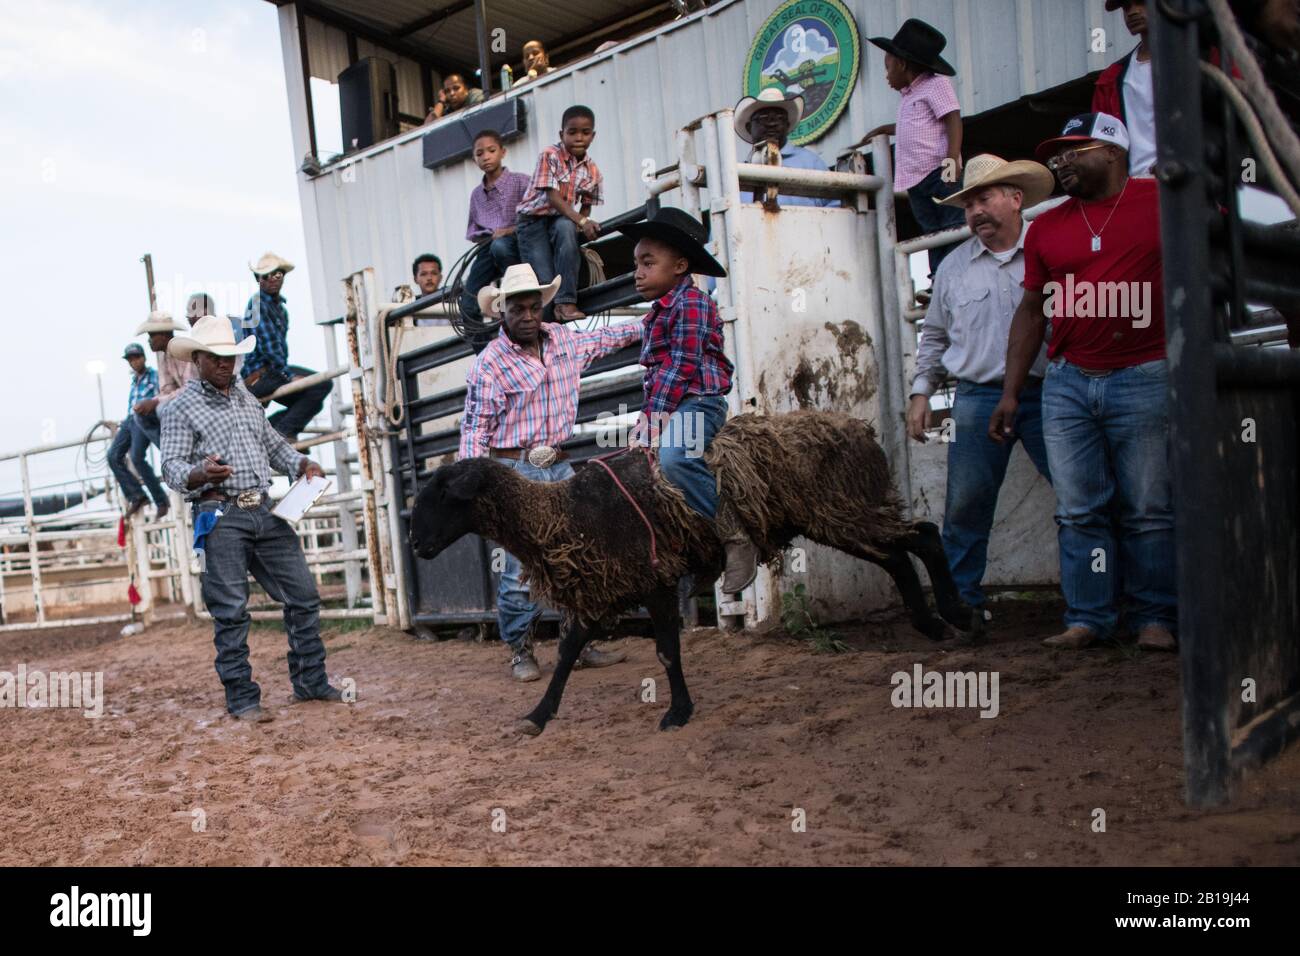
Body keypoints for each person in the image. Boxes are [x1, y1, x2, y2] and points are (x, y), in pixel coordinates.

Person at [988, 113, 1176, 653]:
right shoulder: (1047, 226)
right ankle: (1088, 617)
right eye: (1057, 156)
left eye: (1075, 151)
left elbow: (1216, 256)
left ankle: (1154, 618)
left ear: (1114, 152)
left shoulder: (1161, 203)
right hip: (1068, 381)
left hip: (1144, 373)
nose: (1061, 162)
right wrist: (1011, 391)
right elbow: (1031, 313)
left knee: (1148, 507)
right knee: (1078, 508)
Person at [459, 264, 641, 681]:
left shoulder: (563, 340)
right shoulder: (488, 365)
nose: (527, 315)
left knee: (576, 555)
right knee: (520, 566)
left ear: (541, 307)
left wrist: (655, 320)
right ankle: (520, 650)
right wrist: (474, 489)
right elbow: (474, 429)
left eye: (533, 306)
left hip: (557, 464)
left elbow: (608, 337)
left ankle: (578, 643)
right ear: (501, 312)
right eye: (517, 308)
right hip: (513, 468)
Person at [160, 316, 343, 721]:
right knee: (231, 610)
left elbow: (273, 445)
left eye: (231, 357)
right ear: (198, 359)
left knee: (303, 596)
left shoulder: (244, 396)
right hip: (219, 512)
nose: (227, 365)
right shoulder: (180, 408)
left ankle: (310, 682)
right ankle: (243, 698)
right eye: (217, 358)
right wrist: (199, 473)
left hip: (262, 506)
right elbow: (170, 467)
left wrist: (300, 463)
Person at [906, 155, 1055, 619]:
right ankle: (960, 605)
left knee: (1081, 497)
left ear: (1016, 200)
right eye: (968, 205)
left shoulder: (1049, 251)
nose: (975, 212)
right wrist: (920, 393)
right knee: (966, 504)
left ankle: (1099, 605)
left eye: (984, 199)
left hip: (1051, 391)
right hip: (977, 393)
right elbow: (934, 334)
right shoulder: (953, 268)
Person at [615, 207, 758, 593]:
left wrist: (652, 423)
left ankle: (734, 535)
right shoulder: (658, 311)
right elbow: (658, 378)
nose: (638, 272)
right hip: (673, 405)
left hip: (699, 402)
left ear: (679, 265)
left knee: (677, 457)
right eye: (636, 264)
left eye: (648, 263)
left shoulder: (691, 303)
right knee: (641, 472)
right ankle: (701, 550)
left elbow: (681, 365)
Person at [863, 18, 966, 272]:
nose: (886, 75)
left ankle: (959, 270)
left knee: (953, 223)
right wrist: (889, 129)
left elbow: (952, 117)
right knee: (931, 230)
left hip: (938, 170)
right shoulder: (910, 96)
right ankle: (939, 276)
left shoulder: (936, 85)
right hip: (915, 179)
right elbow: (920, 126)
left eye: (888, 68)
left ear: (902, 64)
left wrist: (952, 159)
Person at [515, 105, 603, 322]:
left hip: (560, 219)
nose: (578, 137)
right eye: (572, 132)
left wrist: (580, 223)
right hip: (533, 220)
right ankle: (543, 328)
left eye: (585, 132)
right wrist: (582, 220)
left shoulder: (593, 171)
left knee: (567, 231)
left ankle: (565, 303)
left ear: (593, 135)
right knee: (544, 278)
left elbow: (587, 203)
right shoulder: (550, 155)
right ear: (561, 134)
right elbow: (552, 197)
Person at [240, 252, 332, 443]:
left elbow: (275, 350)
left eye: (277, 274)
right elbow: (269, 348)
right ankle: (282, 433)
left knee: (313, 398)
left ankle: (276, 433)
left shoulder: (280, 309)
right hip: (262, 375)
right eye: (266, 275)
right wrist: (288, 376)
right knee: (321, 385)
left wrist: (286, 375)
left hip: (272, 372)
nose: (272, 279)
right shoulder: (258, 305)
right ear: (258, 279)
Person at [459, 129, 529, 352]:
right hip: (488, 248)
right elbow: (474, 230)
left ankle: (517, 290)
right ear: (474, 159)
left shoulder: (521, 182)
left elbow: (536, 217)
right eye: (480, 154)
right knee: (467, 304)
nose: (486, 157)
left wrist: (509, 230)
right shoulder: (476, 195)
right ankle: (485, 354)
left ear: (502, 152)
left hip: (515, 244)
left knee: (500, 246)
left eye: (491, 151)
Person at [734, 88, 840, 208]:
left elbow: (836, 204)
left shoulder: (810, 162)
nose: (771, 123)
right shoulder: (739, 174)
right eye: (763, 118)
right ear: (749, 128)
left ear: (787, 125)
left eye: (779, 118)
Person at [1093, 1, 1156, 178]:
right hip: (1136, 188)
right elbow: (1103, 145)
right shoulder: (1110, 78)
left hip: (1195, 182)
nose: (1132, 12)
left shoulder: (1202, 59)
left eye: (1142, 2)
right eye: (1126, 7)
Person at [108, 343, 170, 519]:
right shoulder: (134, 380)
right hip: (130, 419)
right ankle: (136, 495)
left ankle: (160, 500)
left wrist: (149, 406)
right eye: (131, 359)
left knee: (136, 458)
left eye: (136, 358)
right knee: (113, 456)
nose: (134, 362)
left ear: (143, 357)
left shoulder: (154, 376)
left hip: (143, 417)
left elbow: (162, 396)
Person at [137, 310, 196, 417]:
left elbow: (191, 388)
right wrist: (154, 400)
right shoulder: (164, 356)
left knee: (162, 409)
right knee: (141, 415)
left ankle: (169, 433)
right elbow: (167, 389)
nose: (149, 340)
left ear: (164, 335)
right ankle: (164, 434)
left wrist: (156, 401)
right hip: (183, 397)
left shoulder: (181, 351)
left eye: (151, 336)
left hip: (196, 398)